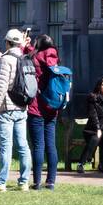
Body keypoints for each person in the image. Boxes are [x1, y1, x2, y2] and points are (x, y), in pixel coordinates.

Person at [0, 27, 33, 192]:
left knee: (6, 147)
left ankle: (1, 182)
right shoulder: (25, 57)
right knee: (23, 146)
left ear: (7, 42)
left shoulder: (6, 60)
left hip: (7, 108)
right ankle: (24, 182)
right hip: (22, 107)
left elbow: (1, 87)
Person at [26, 33, 64, 190]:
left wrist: (25, 45)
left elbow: (27, 55)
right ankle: (51, 181)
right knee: (51, 145)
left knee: (38, 145)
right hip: (52, 107)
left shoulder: (35, 57)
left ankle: (36, 182)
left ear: (39, 44)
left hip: (36, 107)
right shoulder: (54, 57)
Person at [78, 76, 103, 173]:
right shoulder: (93, 98)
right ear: (99, 86)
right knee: (96, 137)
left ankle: (102, 164)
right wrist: (98, 129)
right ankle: (82, 163)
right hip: (93, 128)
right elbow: (93, 115)